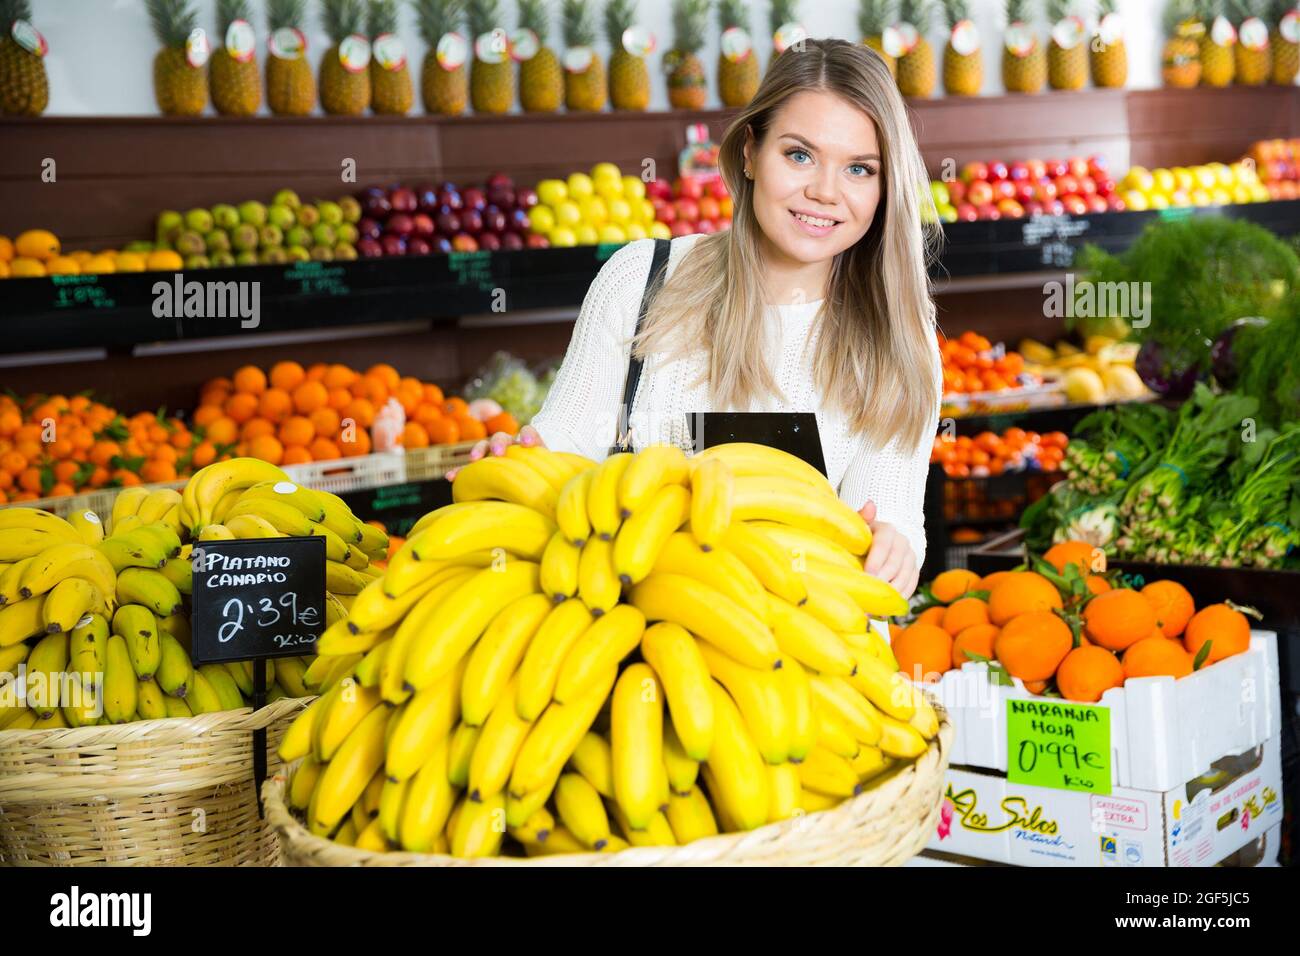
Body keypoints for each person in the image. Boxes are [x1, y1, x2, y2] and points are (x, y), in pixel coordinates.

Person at [453, 38, 942, 599]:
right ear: (751, 152)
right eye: (799, 155)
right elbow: (563, 451)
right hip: (634, 640)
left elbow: (894, 516)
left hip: (804, 657)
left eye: (859, 168)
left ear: (886, 187)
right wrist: (514, 468)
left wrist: (894, 549)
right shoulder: (641, 279)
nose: (825, 192)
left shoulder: (898, 334)